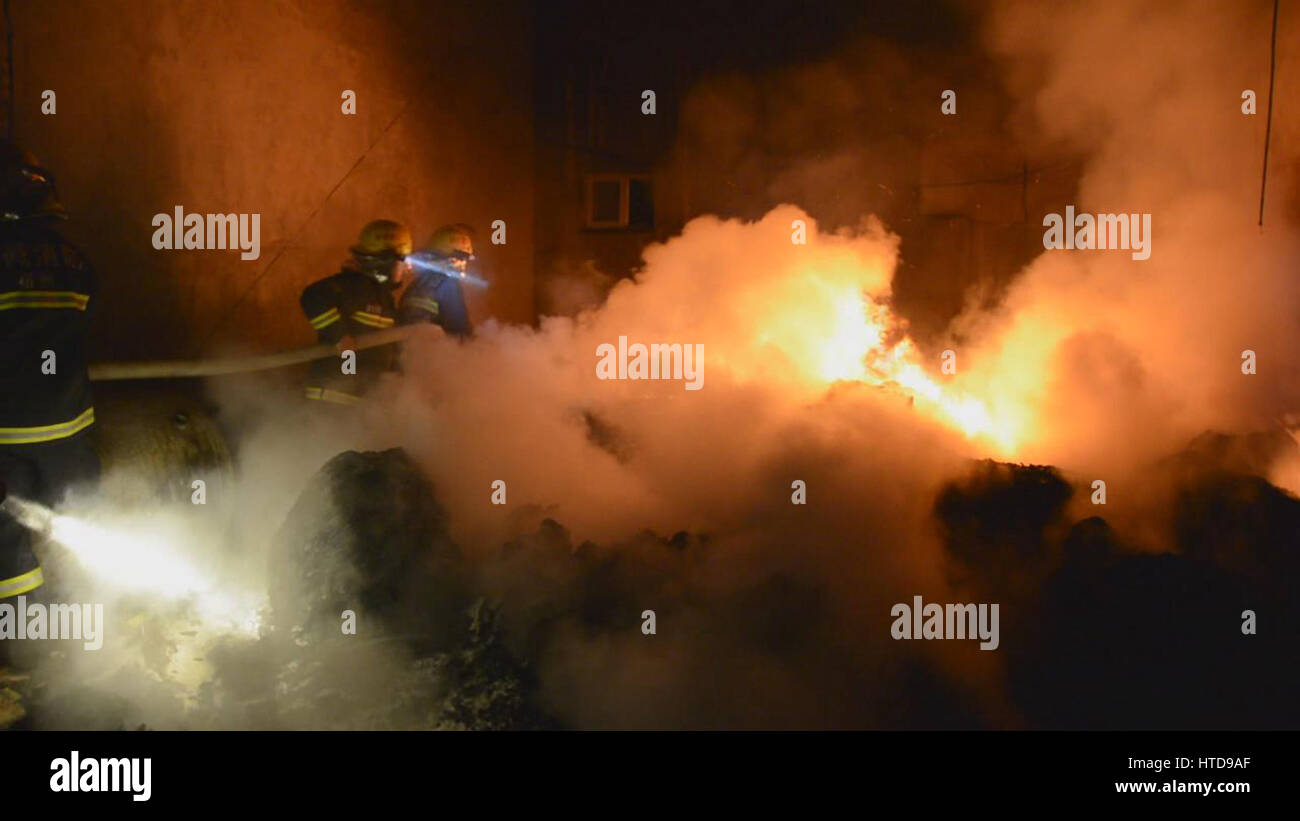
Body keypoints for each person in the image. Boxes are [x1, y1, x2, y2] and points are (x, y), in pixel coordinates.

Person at [0, 142, 99, 603]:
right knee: (79, 528)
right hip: (69, 430)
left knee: (9, 550)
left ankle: (20, 655)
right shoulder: (79, 263)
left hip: (7, 437)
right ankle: (91, 640)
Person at [299, 219, 412, 405]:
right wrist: (340, 336)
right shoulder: (353, 287)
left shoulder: (384, 299)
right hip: (332, 399)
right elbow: (312, 297)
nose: (408, 268)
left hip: (357, 402)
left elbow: (387, 348)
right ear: (386, 262)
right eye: (404, 260)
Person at [399, 223, 473, 338]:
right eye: (462, 259)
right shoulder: (448, 285)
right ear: (452, 259)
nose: (463, 264)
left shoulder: (416, 284)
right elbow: (459, 331)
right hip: (435, 352)